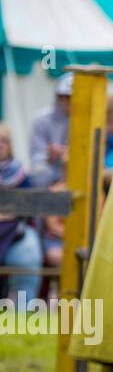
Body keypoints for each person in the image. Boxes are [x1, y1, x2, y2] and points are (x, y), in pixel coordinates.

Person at [0, 123, 44, 310]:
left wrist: (9, 214)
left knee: (28, 254)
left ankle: (23, 316)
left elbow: (30, 206)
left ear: (10, 146)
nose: (0, 145)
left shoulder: (20, 173)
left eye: (4, 141)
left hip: (16, 234)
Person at [29, 73, 72, 188]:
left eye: (72, 97)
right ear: (57, 96)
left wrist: (68, 153)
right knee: (41, 174)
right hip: (49, 170)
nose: (68, 101)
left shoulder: (85, 121)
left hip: (72, 170)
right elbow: (36, 156)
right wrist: (48, 154)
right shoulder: (41, 119)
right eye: (64, 96)